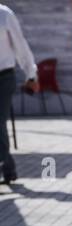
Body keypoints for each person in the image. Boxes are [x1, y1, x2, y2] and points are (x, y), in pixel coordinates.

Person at [0, 3, 37, 185]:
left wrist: (31, 74)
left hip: (3, 77)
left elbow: (21, 46)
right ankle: (8, 166)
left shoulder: (4, 15)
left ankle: (5, 166)